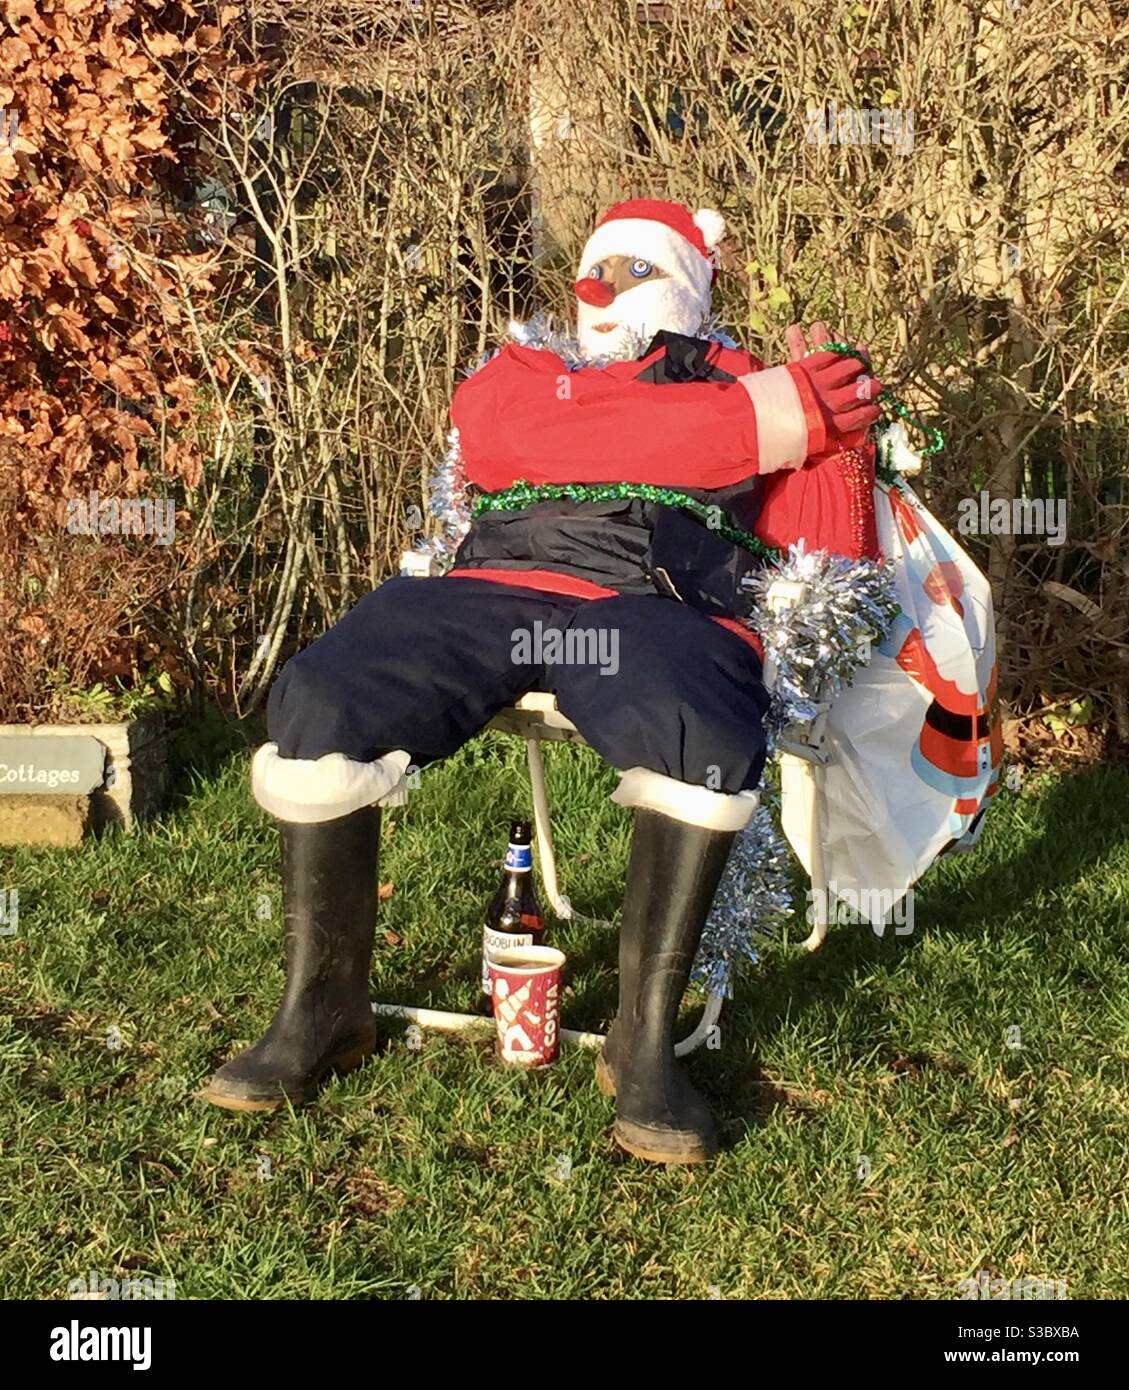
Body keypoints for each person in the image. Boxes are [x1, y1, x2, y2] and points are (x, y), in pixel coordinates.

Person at [202, 199, 879, 1164]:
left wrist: (807, 431)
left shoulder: (735, 376)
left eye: (630, 272)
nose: (593, 291)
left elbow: (832, 530)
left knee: (694, 721)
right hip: (491, 587)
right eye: (591, 270)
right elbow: (496, 439)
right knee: (327, 694)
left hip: (655, 597)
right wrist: (757, 424)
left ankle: (644, 1044)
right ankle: (324, 1006)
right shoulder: (524, 374)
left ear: (688, 281)